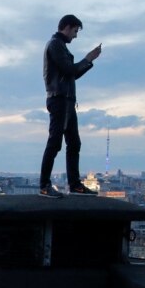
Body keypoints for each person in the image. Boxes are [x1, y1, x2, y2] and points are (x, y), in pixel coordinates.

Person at [39, 14, 101, 198]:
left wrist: (88, 61)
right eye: (75, 31)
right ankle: (44, 186)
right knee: (55, 142)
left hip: (65, 100)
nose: (75, 36)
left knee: (73, 143)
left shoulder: (59, 46)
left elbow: (71, 73)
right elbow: (70, 70)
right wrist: (89, 58)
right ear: (66, 27)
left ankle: (75, 185)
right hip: (60, 100)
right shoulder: (55, 45)